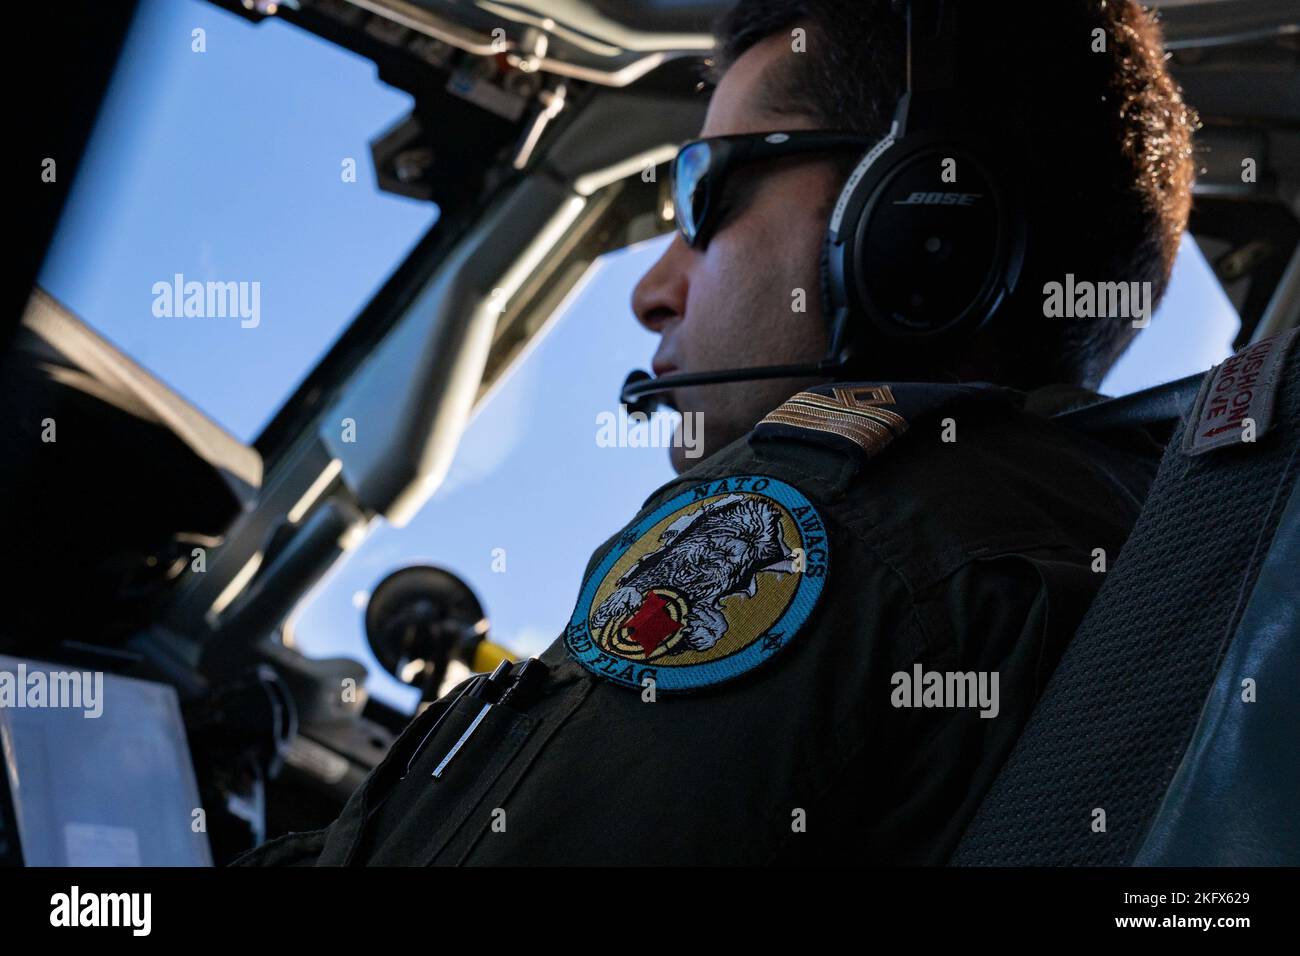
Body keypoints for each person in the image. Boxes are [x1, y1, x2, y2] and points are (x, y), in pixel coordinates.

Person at [234, 0, 1196, 865]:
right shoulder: (1125, 537)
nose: (654, 292)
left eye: (705, 191)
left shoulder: (834, 531)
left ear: (913, 221)